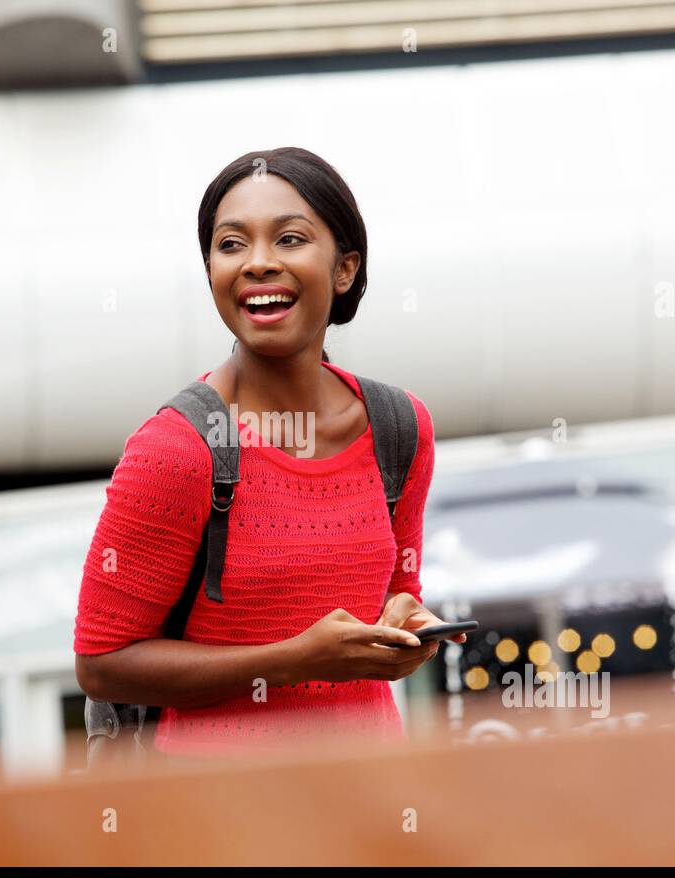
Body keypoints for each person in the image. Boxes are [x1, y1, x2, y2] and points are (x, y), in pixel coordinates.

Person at [72, 147, 463, 760]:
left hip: (371, 803)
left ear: (344, 268)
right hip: (217, 819)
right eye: (231, 244)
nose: (257, 263)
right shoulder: (177, 450)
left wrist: (404, 626)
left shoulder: (399, 426)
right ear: (211, 274)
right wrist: (290, 663)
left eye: (289, 239)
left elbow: (395, 590)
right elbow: (102, 664)